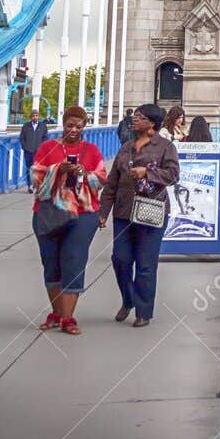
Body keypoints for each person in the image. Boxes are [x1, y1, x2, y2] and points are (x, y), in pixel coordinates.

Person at [99, 102, 179, 328]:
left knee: (146, 264)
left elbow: (173, 175)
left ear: (152, 123)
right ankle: (128, 300)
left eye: (140, 117)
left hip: (151, 211)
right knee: (120, 259)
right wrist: (103, 211)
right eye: (135, 116)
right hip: (123, 211)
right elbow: (112, 182)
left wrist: (148, 172)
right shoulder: (126, 147)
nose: (135, 120)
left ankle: (144, 312)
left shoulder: (165, 147)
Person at [30, 105, 106, 335]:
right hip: (49, 213)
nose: (74, 130)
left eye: (79, 127)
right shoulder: (47, 147)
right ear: (62, 125)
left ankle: (67, 318)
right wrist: (57, 169)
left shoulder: (91, 150)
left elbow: (101, 180)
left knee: (74, 259)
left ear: (84, 128)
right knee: (51, 263)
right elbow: (35, 177)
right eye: (70, 126)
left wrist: (84, 173)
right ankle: (57, 313)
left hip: (83, 214)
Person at [19, 104, 49, 192]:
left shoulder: (43, 126)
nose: (35, 117)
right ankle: (30, 185)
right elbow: (22, 138)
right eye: (33, 116)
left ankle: (37, 184)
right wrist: (24, 147)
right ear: (31, 117)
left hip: (38, 151)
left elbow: (45, 138)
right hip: (28, 151)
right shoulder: (26, 126)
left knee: (37, 168)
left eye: (36, 115)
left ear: (38, 116)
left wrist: (41, 148)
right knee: (29, 168)